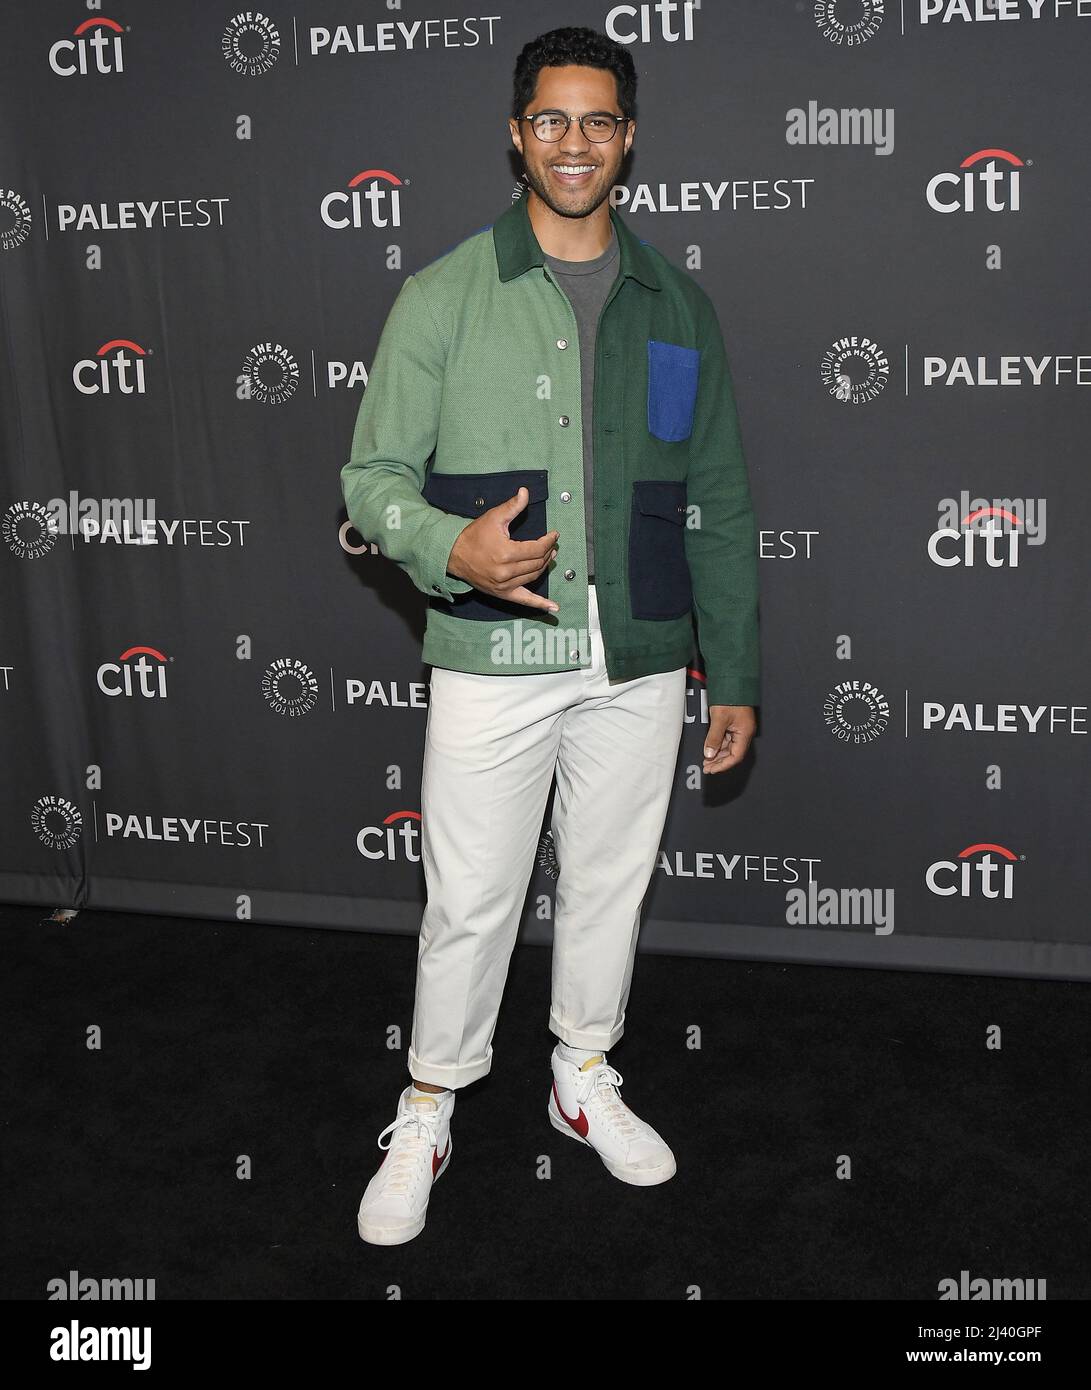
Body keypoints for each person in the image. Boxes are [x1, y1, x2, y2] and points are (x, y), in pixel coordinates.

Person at [341, 25, 760, 1246]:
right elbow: (370, 477)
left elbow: (718, 496)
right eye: (550, 120)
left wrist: (726, 666)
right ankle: (429, 1099)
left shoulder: (677, 302)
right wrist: (447, 546)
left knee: (607, 886)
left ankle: (581, 1073)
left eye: (597, 121)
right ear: (516, 134)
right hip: (491, 648)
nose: (572, 143)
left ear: (626, 137)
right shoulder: (441, 294)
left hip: (637, 650)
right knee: (468, 899)